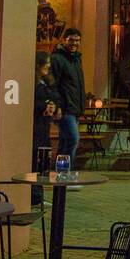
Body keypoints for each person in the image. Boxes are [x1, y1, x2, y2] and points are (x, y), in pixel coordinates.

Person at [50, 29, 86, 171]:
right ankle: (65, 174)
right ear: (65, 40)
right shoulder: (57, 59)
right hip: (65, 108)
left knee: (65, 141)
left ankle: (60, 174)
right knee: (72, 139)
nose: (74, 43)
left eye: (77, 40)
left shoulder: (76, 59)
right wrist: (57, 105)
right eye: (71, 40)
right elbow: (54, 84)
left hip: (74, 107)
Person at [32, 51, 60, 206]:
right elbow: (32, 103)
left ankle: (38, 194)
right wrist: (44, 106)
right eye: (47, 63)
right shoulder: (34, 83)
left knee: (42, 161)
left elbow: (52, 96)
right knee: (36, 162)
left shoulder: (45, 82)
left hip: (43, 127)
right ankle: (35, 196)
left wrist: (53, 105)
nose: (49, 66)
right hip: (37, 128)